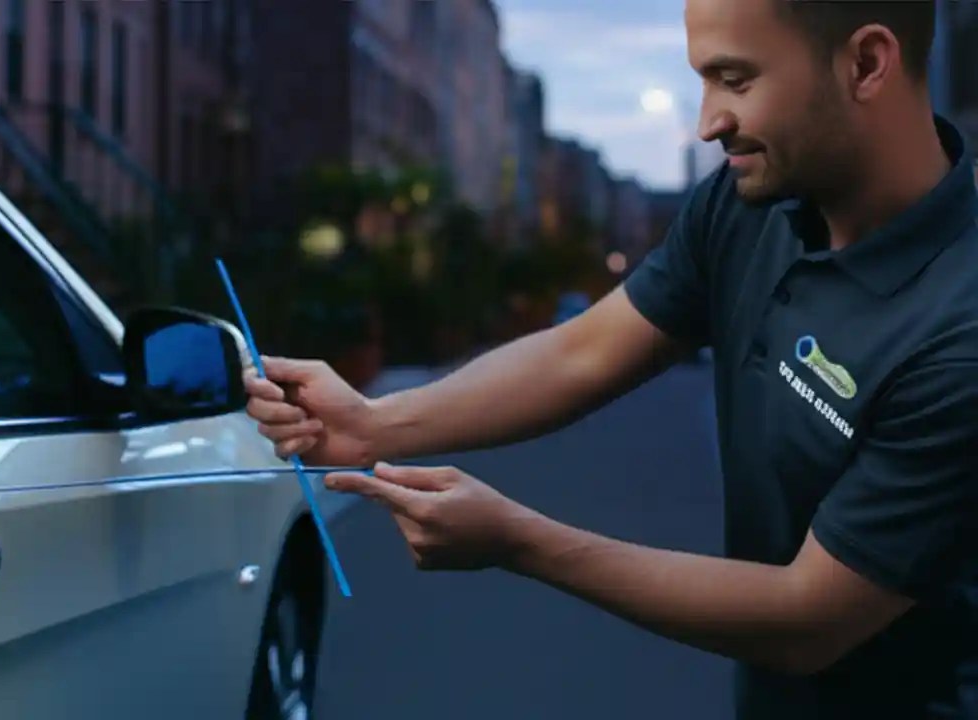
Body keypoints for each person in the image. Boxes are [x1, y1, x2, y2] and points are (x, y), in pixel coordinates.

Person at [243, 1, 978, 718]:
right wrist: (375, 424)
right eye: (703, 79)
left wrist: (520, 541)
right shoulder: (747, 203)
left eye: (737, 79)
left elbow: (807, 618)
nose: (708, 121)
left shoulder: (960, 329)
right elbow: (584, 350)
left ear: (867, 63)